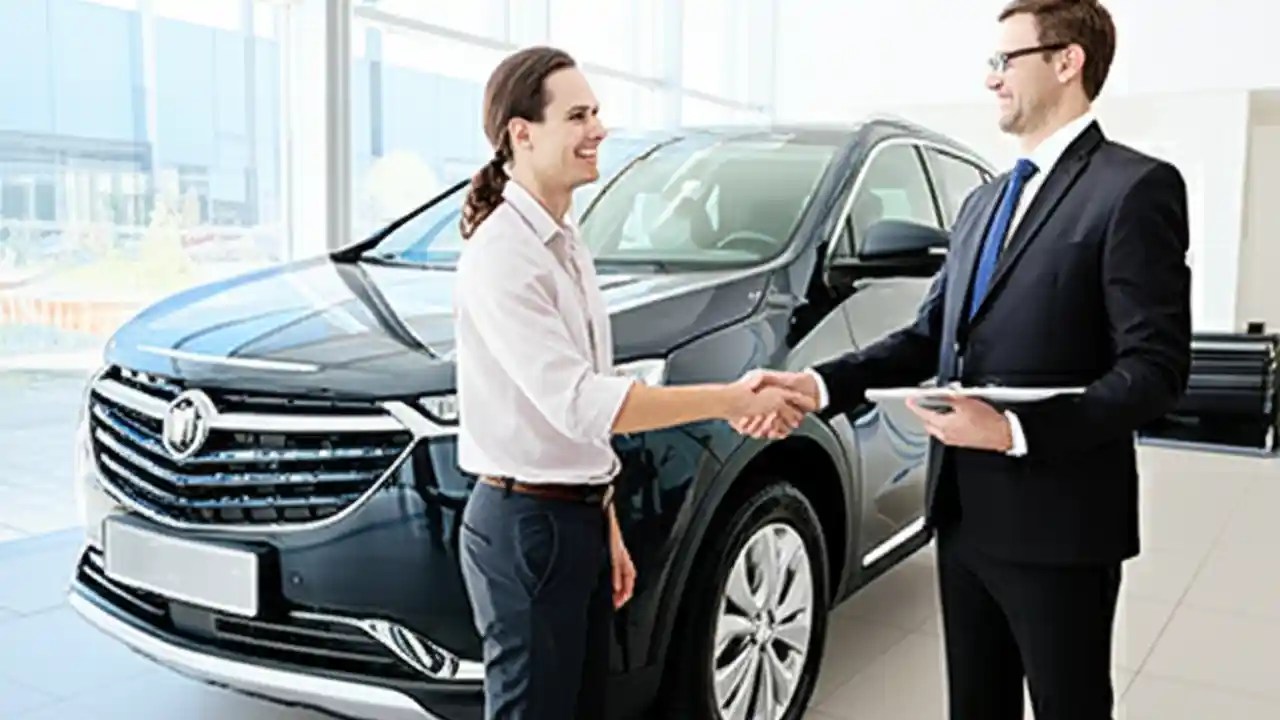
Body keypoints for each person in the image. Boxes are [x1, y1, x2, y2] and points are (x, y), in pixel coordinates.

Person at [735, 2, 1191, 719]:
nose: (991, 80)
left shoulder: (1133, 188)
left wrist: (1013, 431)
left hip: (1059, 520)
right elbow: (927, 339)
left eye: (1004, 61)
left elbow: (1154, 371)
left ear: (1067, 61)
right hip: (962, 513)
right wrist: (818, 382)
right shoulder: (983, 203)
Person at [451, 46, 815, 720]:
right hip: (527, 527)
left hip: (571, 516)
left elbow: (589, 387)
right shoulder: (504, 252)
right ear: (521, 134)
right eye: (579, 115)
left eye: (598, 112)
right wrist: (733, 400)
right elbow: (580, 403)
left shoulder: (566, 239)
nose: (599, 130)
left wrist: (606, 517)